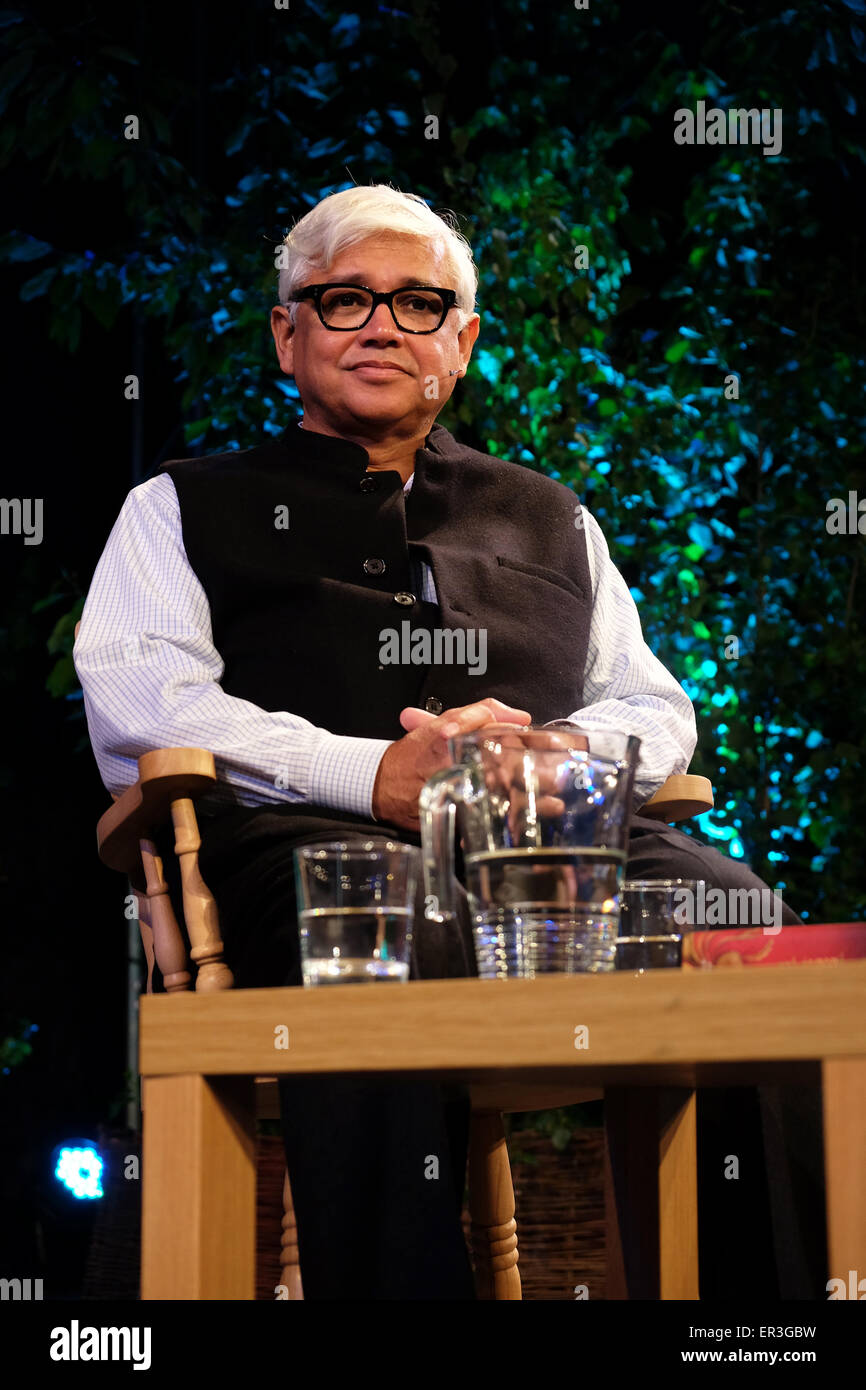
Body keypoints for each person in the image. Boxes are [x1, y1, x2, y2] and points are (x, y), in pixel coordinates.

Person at [74, 184, 822, 1300]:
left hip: (547, 868)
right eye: (344, 300)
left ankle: (756, 1330)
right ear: (286, 334)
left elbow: (656, 709)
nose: (382, 326)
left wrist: (544, 756)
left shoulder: (553, 516)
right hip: (306, 860)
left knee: (738, 922)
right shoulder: (177, 507)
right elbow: (145, 707)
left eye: (418, 304)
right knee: (374, 908)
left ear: (460, 343)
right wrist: (369, 772)